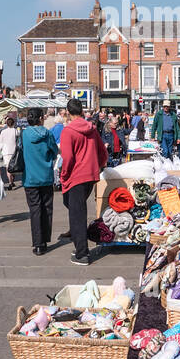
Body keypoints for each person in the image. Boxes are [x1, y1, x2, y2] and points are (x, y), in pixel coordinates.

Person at [59, 98, 107, 266]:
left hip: (76, 176)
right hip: (90, 175)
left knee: (77, 214)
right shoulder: (92, 129)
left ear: (67, 112)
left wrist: (64, 175)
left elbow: (68, 158)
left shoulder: (68, 131)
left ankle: (82, 254)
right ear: (81, 111)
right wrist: (98, 166)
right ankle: (81, 245)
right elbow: (103, 153)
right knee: (75, 208)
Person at [21, 108, 59, 256]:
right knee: (47, 209)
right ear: (41, 118)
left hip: (30, 178)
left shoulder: (24, 134)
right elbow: (55, 151)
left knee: (35, 210)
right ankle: (44, 241)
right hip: (45, 176)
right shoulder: (47, 133)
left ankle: (37, 244)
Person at [0, 118, 20, 191]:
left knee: (8, 168)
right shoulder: (16, 131)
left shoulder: (3, 132)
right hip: (14, 151)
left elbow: (0, 144)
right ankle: (12, 181)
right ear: (13, 123)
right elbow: (19, 140)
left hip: (5, 152)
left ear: (7, 124)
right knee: (13, 167)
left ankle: (10, 182)